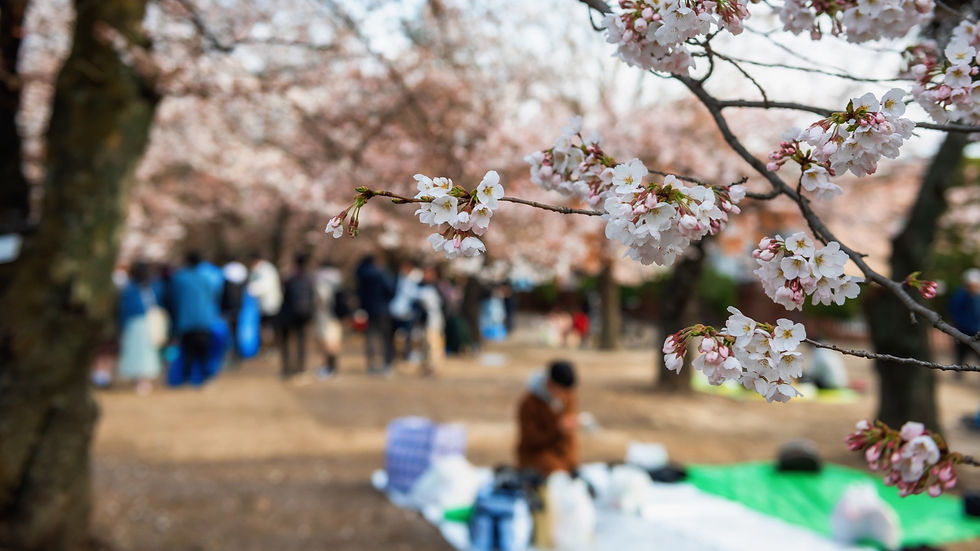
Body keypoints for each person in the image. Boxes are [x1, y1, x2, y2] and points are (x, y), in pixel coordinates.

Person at [517, 360, 579, 476]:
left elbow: (568, 437)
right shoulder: (529, 403)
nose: (565, 396)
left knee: (571, 470)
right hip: (535, 455)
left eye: (568, 392)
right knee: (557, 472)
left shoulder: (567, 396)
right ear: (549, 383)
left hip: (561, 453)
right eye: (562, 391)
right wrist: (557, 428)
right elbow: (529, 438)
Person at [170, 251, 219, 384]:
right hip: (204, 320)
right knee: (204, 352)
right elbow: (213, 297)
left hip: (186, 321)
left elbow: (173, 298)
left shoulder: (179, 278)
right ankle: (205, 377)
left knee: (187, 352)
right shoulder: (206, 278)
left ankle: (186, 378)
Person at [117, 261, 163, 394]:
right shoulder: (131, 289)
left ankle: (143, 379)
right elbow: (125, 309)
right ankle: (140, 379)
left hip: (147, 322)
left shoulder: (151, 287)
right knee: (139, 352)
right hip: (138, 323)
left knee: (145, 352)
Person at [356, 254, 395, 374]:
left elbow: (359, 293)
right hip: (383, 309)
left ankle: (371, 364)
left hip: (368, 310)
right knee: (386, 338)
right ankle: (387, 364)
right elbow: (390, 290)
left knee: (370, 337)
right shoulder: (381, 274)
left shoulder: (360, 274)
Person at [278, 253, 315, 379]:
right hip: (304, 314)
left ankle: (287, 367)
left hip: (290, 314)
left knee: (287, 341)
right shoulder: (309, 279)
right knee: (301, 340)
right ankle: (300, 367)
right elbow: (312, 298)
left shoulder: (290, 279)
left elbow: (284, 298)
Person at [313, 260, 345, 379]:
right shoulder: (338, 279)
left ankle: (329, 367)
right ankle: (332, 367)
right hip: (336, 317)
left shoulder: (320, 281)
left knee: (327, 343)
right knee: (334, 343)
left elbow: (321, 300)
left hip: (325, 316)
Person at [390, 260, 422, 360]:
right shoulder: (400, 279)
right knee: (402, 335)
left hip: (406, 311)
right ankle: (400, 354)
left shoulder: (412, 279)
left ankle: (408, 354)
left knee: (410, 334)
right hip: (400, 311)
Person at [415, 266, 445, 376]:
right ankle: (425, 366)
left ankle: (434, 367)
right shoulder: (420, 286)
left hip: (434, 320)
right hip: (424, 320)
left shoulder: (436, 287)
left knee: (434, 345)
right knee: (424, 345)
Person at [247, 252, 283, 337]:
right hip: (261, 306)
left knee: (268, 328)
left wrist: (250, 289)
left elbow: (264, 285)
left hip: (269, 304)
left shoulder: (265, 270)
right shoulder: (258, 269)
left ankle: (269, 346)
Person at [949, 268, 980, 366]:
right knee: (961, 354)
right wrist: (968, 326)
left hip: (978, 331)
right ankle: (958, 372)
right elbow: (955, 313)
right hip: (963, 331)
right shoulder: (960, 296)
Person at [220, 260, 248, 366]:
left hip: (231, 310)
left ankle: (234, 355)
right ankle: (237, 354)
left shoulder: (227, 277)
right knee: (236, 332)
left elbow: (224, 296)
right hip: (238, 308)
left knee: (232, 333)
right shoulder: (240, 275)